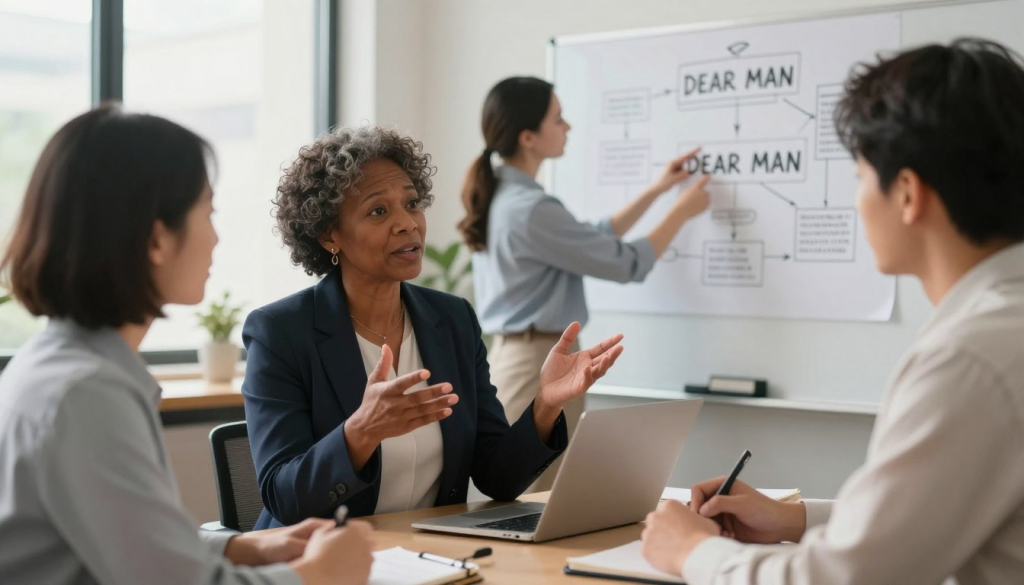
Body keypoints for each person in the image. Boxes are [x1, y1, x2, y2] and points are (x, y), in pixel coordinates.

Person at [640, 38, 1024, 585]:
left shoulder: (969, 359)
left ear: (909, 194)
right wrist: (794, 517)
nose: (856, 200)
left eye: (860, 177)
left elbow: (846, 579)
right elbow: (923, 522)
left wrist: (691, 552)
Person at [0, 105, 374, 585]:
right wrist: (319, 575)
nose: (216, 237)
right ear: (157, 239)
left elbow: (127, 535)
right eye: (208, 211)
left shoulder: (56, 366)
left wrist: (243, 546)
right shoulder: (86, 395)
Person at [242, 125, 624, 530]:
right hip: (320, 560)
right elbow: (285, 498)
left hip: (427, 558)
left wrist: (545, 406)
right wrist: (360, 432)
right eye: (378, 211)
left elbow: (498, 478)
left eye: (412, 204)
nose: (407, 224)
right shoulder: (280, 332)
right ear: (329, 235)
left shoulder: (452, 320)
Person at [458, 76, 710, 490]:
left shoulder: (506, 197)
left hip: (523, 357)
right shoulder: (532, 209)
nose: (568, 127)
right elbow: (626, 263)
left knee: (533, 497)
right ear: (528, 137)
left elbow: (592, 235)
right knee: (533, 502)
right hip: (537, 362)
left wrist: (658, 191)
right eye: (558, 119)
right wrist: (682, 211)